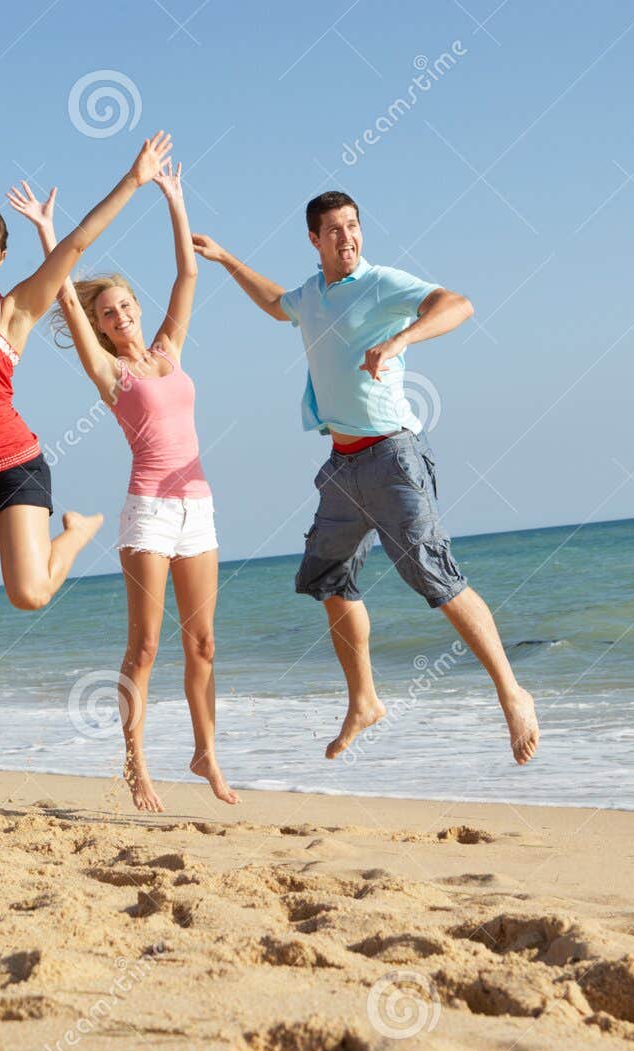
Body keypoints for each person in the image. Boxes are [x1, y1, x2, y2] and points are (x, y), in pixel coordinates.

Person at [193, 191, 541, 765]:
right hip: (342, 466)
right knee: (327, 579)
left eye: (353, 227)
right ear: (314, 239)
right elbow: (275, 302)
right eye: (333, 230)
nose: (347, 238)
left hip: (392, 457)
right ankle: (365, 700)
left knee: (436, 578)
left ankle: (511, 690)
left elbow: (459, 304)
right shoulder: (312, 295)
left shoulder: (381, 283)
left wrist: (400, 340)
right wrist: (227, 258)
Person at [0, 58, 170, 614]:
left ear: (1, 259)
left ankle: (75, 531)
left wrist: (133, 181)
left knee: (31, 595)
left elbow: (75, 244)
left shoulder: (13, 311)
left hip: (10, 465)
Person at [8, 163, 238, 812]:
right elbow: (62, 300)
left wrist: (175, 199)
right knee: (145, 646)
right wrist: (51, 232)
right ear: (103, 326)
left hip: (199, 508)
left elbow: (190, 273)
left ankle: (205, 752)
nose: (122, 316)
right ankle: (136, 765)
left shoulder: (169, 350)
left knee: (205, 643)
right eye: (110, 313)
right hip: (149, 515)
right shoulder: (110, 374)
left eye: (126, 305)